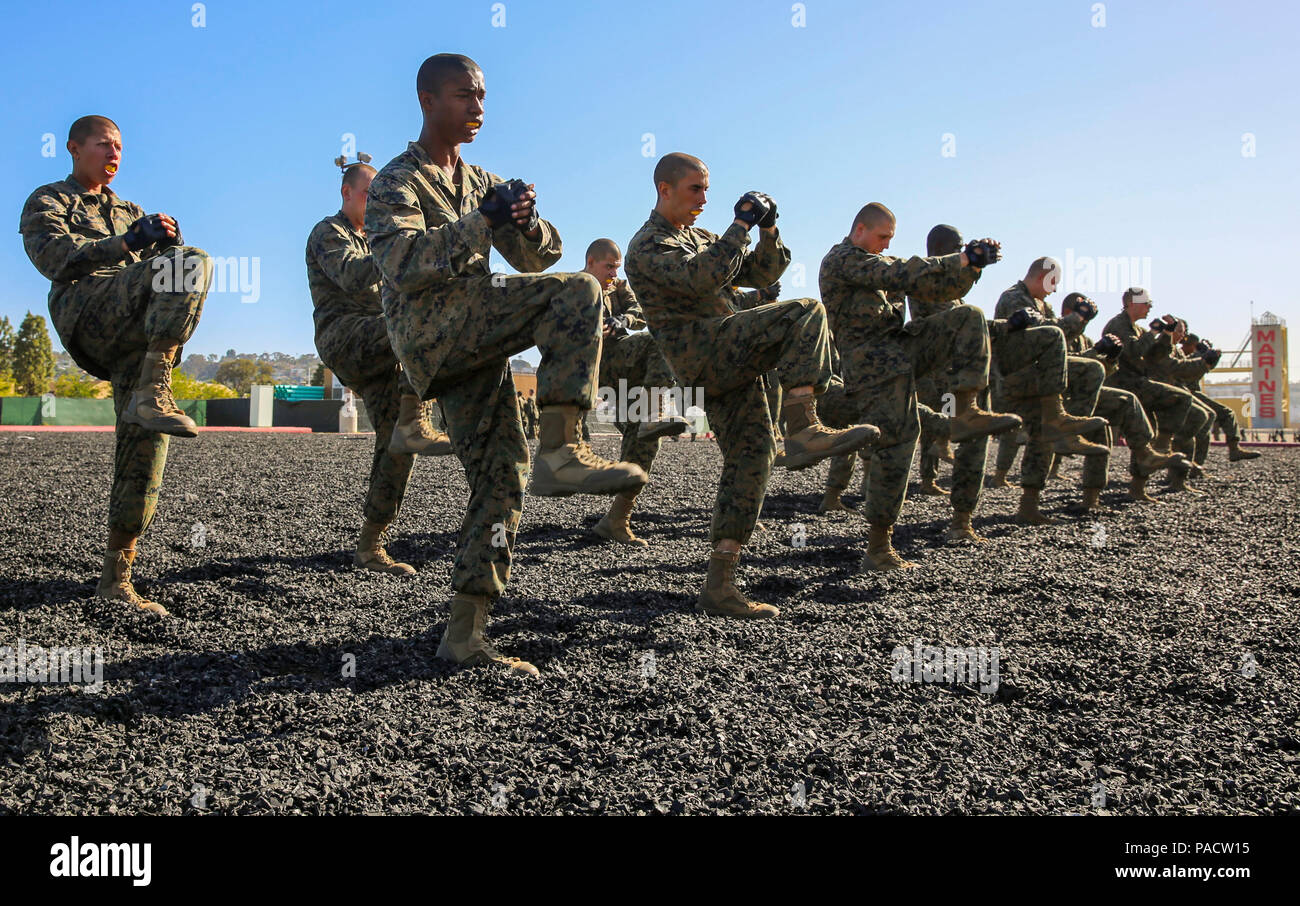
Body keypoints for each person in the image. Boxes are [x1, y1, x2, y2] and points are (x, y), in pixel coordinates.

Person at [365, 54, 648, 676]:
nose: (478, 107)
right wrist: (481, 220)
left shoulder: (480, 180)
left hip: (474, 345)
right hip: (433, 336)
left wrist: (525, 219)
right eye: (464, 95)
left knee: (501, 478)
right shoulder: (396, 181)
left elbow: (534, 262)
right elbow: (404, 265)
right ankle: (563, 447)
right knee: (582, 291)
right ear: (426, 100)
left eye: (484, 96)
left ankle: (465, 632)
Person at [625, 152, 880, 617]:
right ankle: (803, 426)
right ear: (664, 189)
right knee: (807, 311)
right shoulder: (648, 244)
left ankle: (719, 584)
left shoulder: (699, 237)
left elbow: (762, 273)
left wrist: (767, 229)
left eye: (707, 189)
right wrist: (739, 227)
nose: (704, 199)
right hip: (704, 352)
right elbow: (702, 277)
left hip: (730, 357)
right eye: (694, 189)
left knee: (752, 456)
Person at [20, 115, 213, 616]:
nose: (115, 153)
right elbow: (55, 260)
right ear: (73, 147)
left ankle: (116, 576)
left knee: (146, 442)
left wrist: (164, 247)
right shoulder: (50, 200)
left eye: (121, 147)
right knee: (193, 261)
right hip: (86, 309)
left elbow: (158, 274)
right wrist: (128, 244)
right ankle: (154, 386)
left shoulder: (130, 208)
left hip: (133, 329)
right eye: (105, 144)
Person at [818, 202, 1025, 568]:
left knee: (969, 317)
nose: (885, 244)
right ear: (861, 229)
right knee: (898, 441)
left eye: (890, 239)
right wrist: (960, 260)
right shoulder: (842, 259)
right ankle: (878, 547)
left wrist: (973, 265)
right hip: (870, 367)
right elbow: (897, 272)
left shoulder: (876, 258)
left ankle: (966, 411)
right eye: (882, 237)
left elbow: (933, 287)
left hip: (900, 350)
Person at [307, 158, 453, 576]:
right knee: (415, 320)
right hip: (346, 337)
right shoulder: (329, 233)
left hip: (388, 349)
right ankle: (416, 415)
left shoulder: (377, 237)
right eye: (369, 195)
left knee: (397, 445)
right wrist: (395, 248)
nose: (375, 204)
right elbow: (352, 276)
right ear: (347, 193)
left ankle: (371, 545)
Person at [584, 238, 688, 546]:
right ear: (591, 262)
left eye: (618, 266)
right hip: (596, 369)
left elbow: (638, 310)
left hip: (623, 363)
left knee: (644, 436)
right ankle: (653, 408)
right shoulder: (573, 286)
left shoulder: (618, 287)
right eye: (609, 266)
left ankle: (617, 519)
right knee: (658, 341)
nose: (614, 273)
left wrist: (622, 320)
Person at [992, 257, 1111, 522]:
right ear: (1042, 276)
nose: (1055, 290)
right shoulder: (1013, 298)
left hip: (1038, 381)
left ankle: (1029, 506)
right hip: (1017, 377)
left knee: (1043, 433)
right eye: (1053, 282)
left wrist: (1078, 322)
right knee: (1088, 369)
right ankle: (1062, 426)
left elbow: (1056, 338)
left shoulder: (1040, 303)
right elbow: (1046, 334)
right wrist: (1076, 318)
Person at [1099, 289, 1206, 502]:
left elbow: (1155, 356)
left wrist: (1166, 334)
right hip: (1125, 385)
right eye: (1146, 303)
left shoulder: (1136, 328)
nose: (1150, 307)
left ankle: (1138, 488)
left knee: (1145, 435)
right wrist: (1152, 332)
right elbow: (1133, 351)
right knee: (1181, 399)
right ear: (1131, 303)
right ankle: (1162, 447)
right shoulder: (1118, 325)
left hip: (1138, 384)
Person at [1178, 333, 1260, 463]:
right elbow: (1186, 367)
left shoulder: (1189, 355)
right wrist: (1202, 355)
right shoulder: (1178, 353)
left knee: (1223, 415)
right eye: (1187, 345)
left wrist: (1212, 357)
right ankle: (1193, 465)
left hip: (1191, 392)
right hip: (1183, 391)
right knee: (1207, 420)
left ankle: (1231, 449)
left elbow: (1204, 368)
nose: (1186, 347)